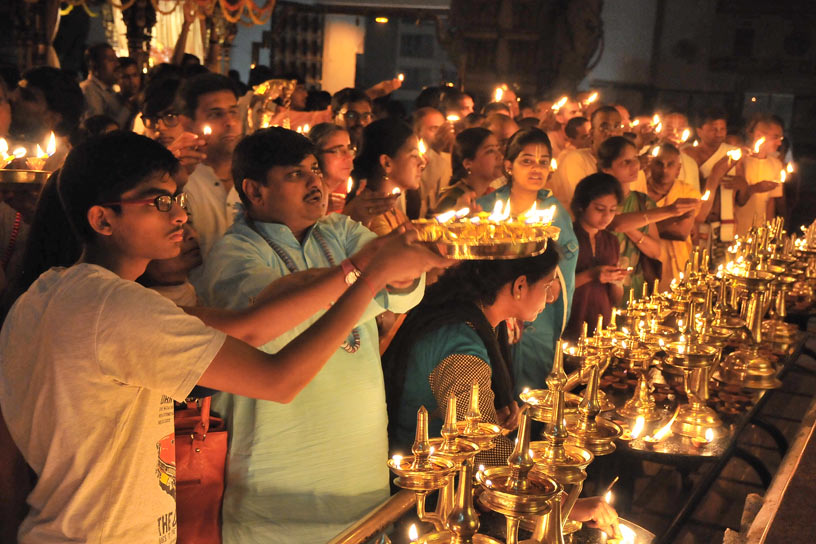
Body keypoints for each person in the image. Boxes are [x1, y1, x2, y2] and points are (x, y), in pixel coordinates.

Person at [0, 131, 446, 544]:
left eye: (177, 198)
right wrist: (368, 281)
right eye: (159, 202)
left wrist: (359, 267)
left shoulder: (49, 293)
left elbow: (249, 325)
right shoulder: (115, 309)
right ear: (102, 219)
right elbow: (278, 379)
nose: (180, 214)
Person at [193, 127, 432, 543]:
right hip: (276, 481)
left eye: (315, 170)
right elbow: (274, 316)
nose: (315, 182)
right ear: (254, 190)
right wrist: (368, 274)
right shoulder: (234, 252)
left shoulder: (340, 232)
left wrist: (404, 258)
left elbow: (402, 291)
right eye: (295, 174)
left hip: (358, 468)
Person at [381, 243, 621, 537]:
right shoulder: (462, 349)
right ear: (520, 285)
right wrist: (564, 503)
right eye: (547, 285)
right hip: (432, 507)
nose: (551, 296)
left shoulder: (472, 319)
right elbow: (484, 451)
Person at [477, 128, 578, 392]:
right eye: (527, 160)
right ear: (509, 166)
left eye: (543, 162)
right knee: (493, 386)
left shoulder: (555, 212)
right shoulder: (486, 208)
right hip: (493, 311)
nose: (537, 168)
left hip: (538, 319)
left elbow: (566, 261)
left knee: (532, 394)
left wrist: (554, 282)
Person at [599, 137, 695, 300]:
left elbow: (655, 251)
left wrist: (631, 229)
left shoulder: (642, 202)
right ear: (606, 168)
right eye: (625, 162)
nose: (635, 166)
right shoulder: (598, 199)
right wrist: (670, 211)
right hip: (601, 284)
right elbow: (614, 224)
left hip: (634, 285)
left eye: (635, 159)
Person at [178, 73, 242, 262]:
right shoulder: (181, 181)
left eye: (233, 111)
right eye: (216, 114)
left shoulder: (258, 174)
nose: (230, 123)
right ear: (187, 123)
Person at [632, 144, 701, 289]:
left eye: (670, 164)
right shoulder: (638, 190)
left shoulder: (688, 192)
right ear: (649, 165)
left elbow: (681, 232)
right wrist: (671, 219)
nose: (664, 169)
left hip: (679, 267)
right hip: (644, 268)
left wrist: (638, 225)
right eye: (659, 164)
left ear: (678, 169)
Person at [564, 173, 625, 339]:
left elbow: (616, 298)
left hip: (601, 325)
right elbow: (555, 288)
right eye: (600, 209)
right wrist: (592, 274)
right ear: (582, 206)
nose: (606, 216)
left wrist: (617, 282)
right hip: (570, 323)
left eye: (612, 210)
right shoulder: (566, 238)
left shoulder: (611, 241)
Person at [309, 122, 398, 222]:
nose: (349, 157)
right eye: (337, 150)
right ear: (315, 155)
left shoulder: (354, 193)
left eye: (349, 149)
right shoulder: (306, 200)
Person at [548, 105, 630, 211]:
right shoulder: (575, 160)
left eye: (617, 126)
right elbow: (587, 209)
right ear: (591, 133)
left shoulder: (632, 166)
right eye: (604, 127)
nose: (612, 133)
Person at [352, 118, 423, 236]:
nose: (422, 162)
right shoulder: (369, 216)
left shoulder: (395, 213)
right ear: (387, 163)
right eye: (414, 155)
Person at [734, 114, 785, 235]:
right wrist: (755, 188)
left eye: (781, 138)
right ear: (759, 136)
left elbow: (770, 202)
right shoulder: (740, 160)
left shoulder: (776, 164)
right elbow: (735, 198)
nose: (779, 143)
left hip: (759, 230)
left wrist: (769, 231)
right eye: (775, 137)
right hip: (736, 227)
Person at [434, 127, 503, 214]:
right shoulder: (452, 200)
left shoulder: (492, 195)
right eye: (490, 151)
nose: (500, 156)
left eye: (498, 149)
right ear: (468, 164)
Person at [80, 43, 131, 128]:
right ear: (94, 65)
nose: (117, 64)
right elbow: (99, 129)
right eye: (111, 60)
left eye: (116, 60)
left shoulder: (109, 90)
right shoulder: (90, 90)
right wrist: (128, 107)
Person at [412, 107, 452, 217]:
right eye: (434, 129)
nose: (440, 134)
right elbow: (418, 192)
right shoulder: (410, 160)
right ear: (417, 132)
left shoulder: (447, 159)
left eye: (442, 129)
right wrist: (435, 149)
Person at [661, 111, 701, 192]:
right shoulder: (645, 156)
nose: (674, 133)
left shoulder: (690, 163)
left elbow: (694, 195)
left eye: (680, 129)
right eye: (669, 128)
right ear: (660, 131)